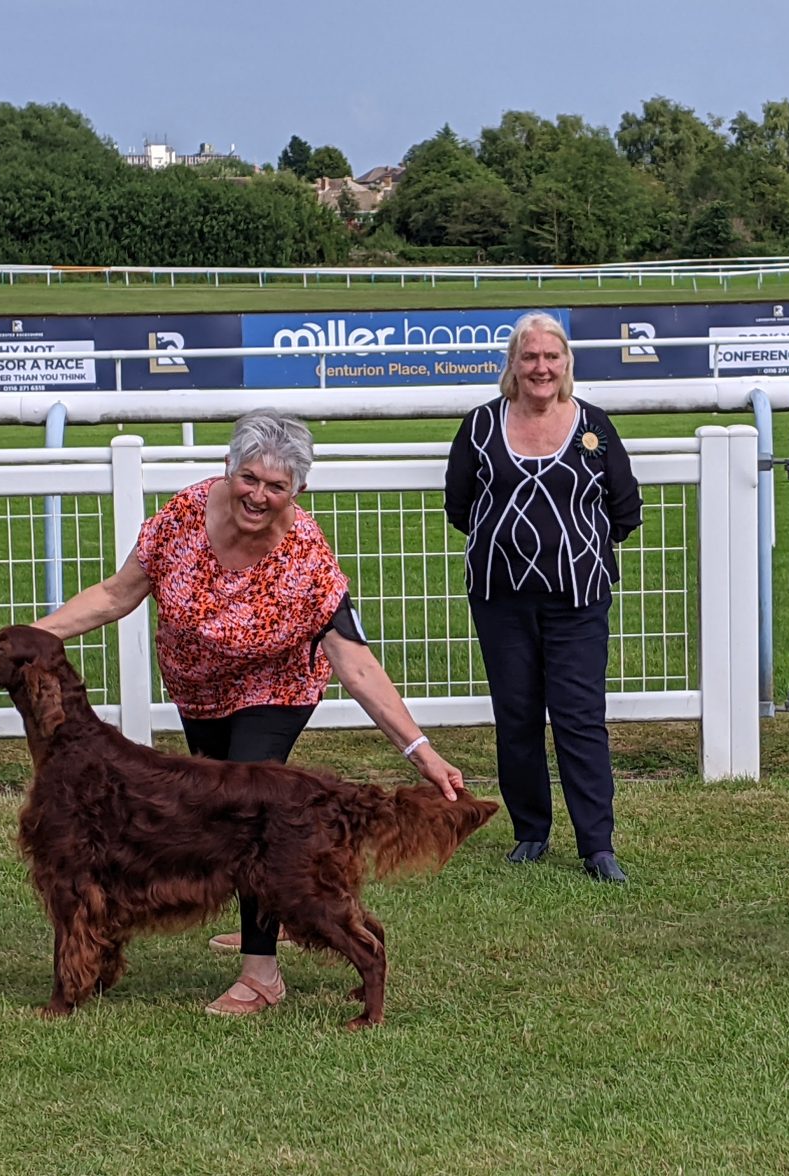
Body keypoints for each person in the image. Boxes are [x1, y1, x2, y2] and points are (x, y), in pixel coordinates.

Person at [33, 410, 464, 1016]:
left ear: (298, 492)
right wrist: (37, 635)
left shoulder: (307, 561)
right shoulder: (182, 518)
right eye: (250, 478)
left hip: (275, 687)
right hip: (199, 686)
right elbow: (115, 594)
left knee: (255, 816)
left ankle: (262, 974)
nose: (259, 496)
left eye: (276, 487)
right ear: (229, 470)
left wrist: (420, 751)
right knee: (215, 821)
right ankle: (282, 911)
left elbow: (356, 663)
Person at [444, 312, 642, 883]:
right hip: (501, 599)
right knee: (518, 717)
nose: (541, 368)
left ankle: (596, 845)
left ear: (566, 365)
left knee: (581, 720)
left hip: (578, 599)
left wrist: (574, 549)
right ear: (513, 365)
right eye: (529, 357)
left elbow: (624, 510)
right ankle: (530, 831)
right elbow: (461, 507)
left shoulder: (595, 427)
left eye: (551, 357)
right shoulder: (481, 427)